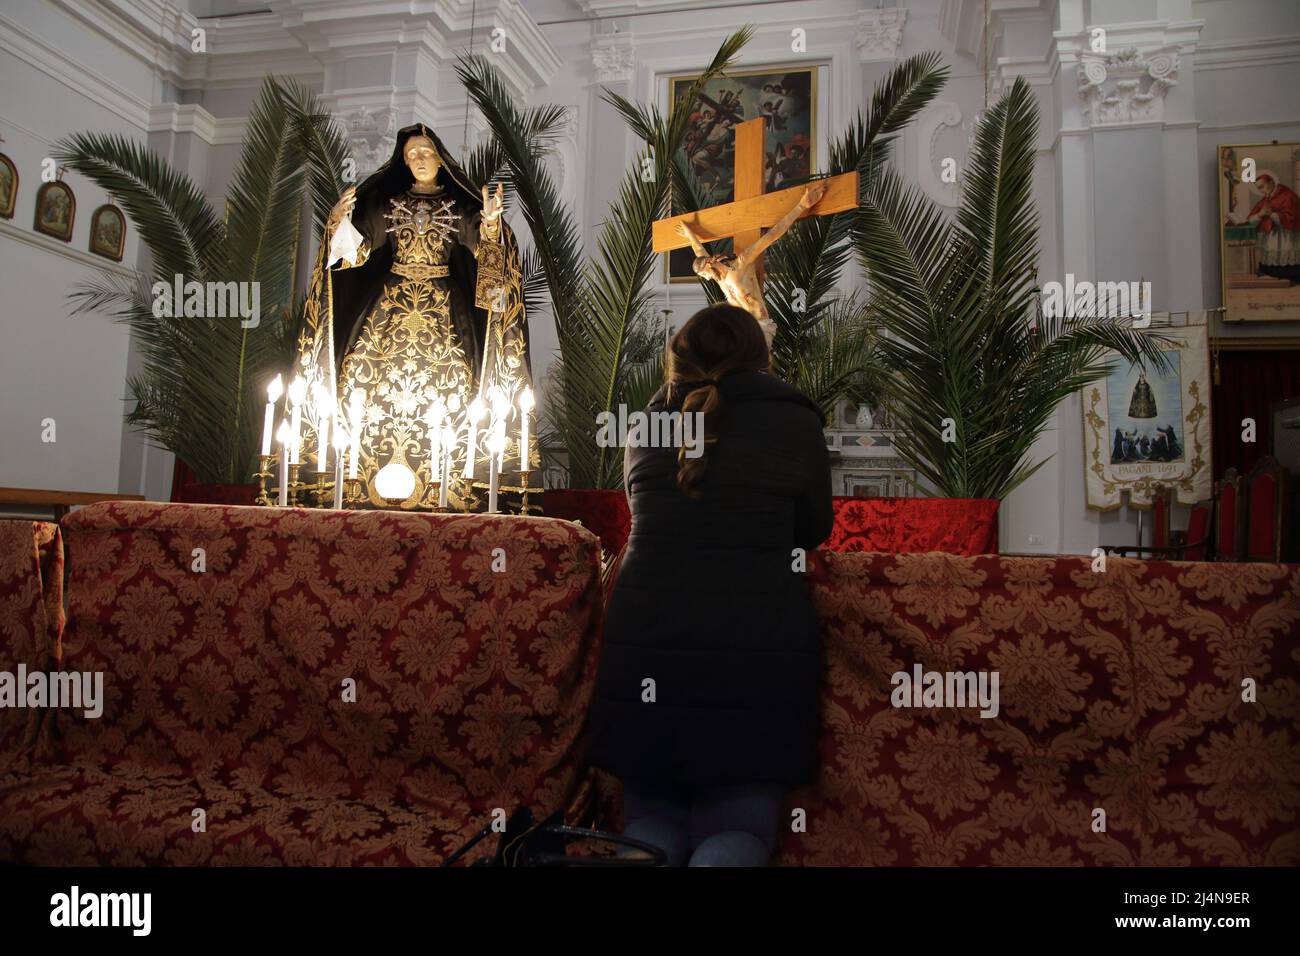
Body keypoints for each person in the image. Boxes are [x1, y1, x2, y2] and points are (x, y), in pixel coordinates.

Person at [585, 303, 834, 867]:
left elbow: (645, 511)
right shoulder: (793, 419)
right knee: (737, 833)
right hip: (755, 646)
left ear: (678, 358)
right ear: (758, 356)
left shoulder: (646, 422)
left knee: (650, 832)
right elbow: (814, 528)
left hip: (647, 644)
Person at [676, 180, 827, 347]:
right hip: (740, 330)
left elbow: (772, 235)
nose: (705, 278)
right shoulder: (720, 278)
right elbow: (699, 252)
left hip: (759, 328)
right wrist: (690, 234)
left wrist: (801, 206)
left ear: (710, 263)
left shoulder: (741, 264)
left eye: (704, 274)